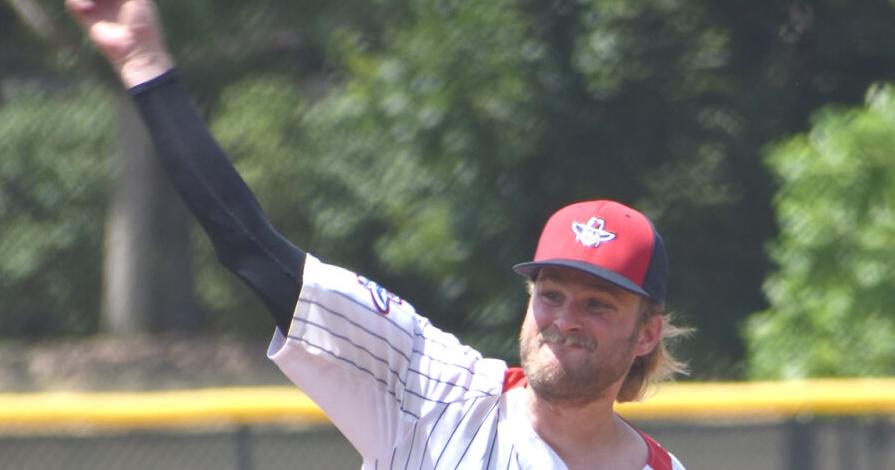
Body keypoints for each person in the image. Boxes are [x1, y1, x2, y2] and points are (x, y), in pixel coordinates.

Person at [66, 1, 690, 468]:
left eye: (598, 303)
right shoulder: (434, 385)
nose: (564, 318)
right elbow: (252, 249)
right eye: (550, 293)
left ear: (647, 334)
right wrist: (145, 64)